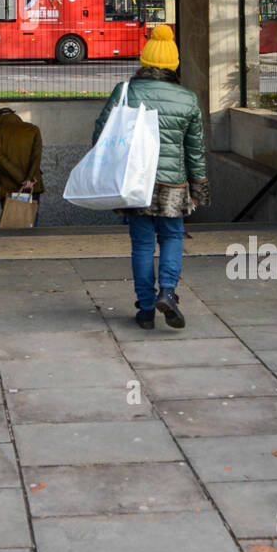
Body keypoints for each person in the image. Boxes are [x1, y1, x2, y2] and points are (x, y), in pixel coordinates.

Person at [92, 25, 210, 331]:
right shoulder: (187, 99)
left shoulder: (126, 91)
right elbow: (195, 149)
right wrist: (198, 188)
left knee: (142, 244)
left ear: (145, 60)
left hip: (134, 181)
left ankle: (145, 309)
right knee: (171, 236)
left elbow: (101, 133)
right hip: (173, 183)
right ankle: (167, 292)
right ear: (173, 64)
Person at [0, 107, 44, 223]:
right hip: (32, 184)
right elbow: (36, 156)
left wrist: (22, 180)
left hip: (8, 186)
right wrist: (28, 179)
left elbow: (1, 160)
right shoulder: (33, 129)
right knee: (31, 222)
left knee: (11, 223)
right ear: (14, 115)